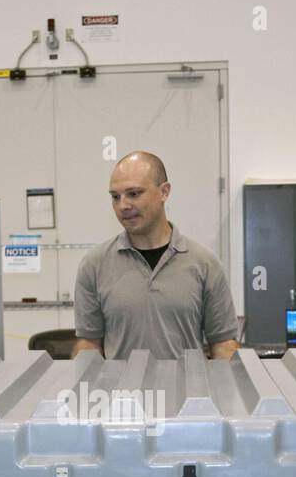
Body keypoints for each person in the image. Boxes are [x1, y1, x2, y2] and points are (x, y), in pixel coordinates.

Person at [74, 151, 239, 361]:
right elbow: (89, 344)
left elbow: (224, 345)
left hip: (186, 383)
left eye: (134, 193)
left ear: (164, 191)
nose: (123, 205)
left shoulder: (205, 263)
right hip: (122, 385)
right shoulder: (94, 265)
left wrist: (228, 380)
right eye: (115, 196)